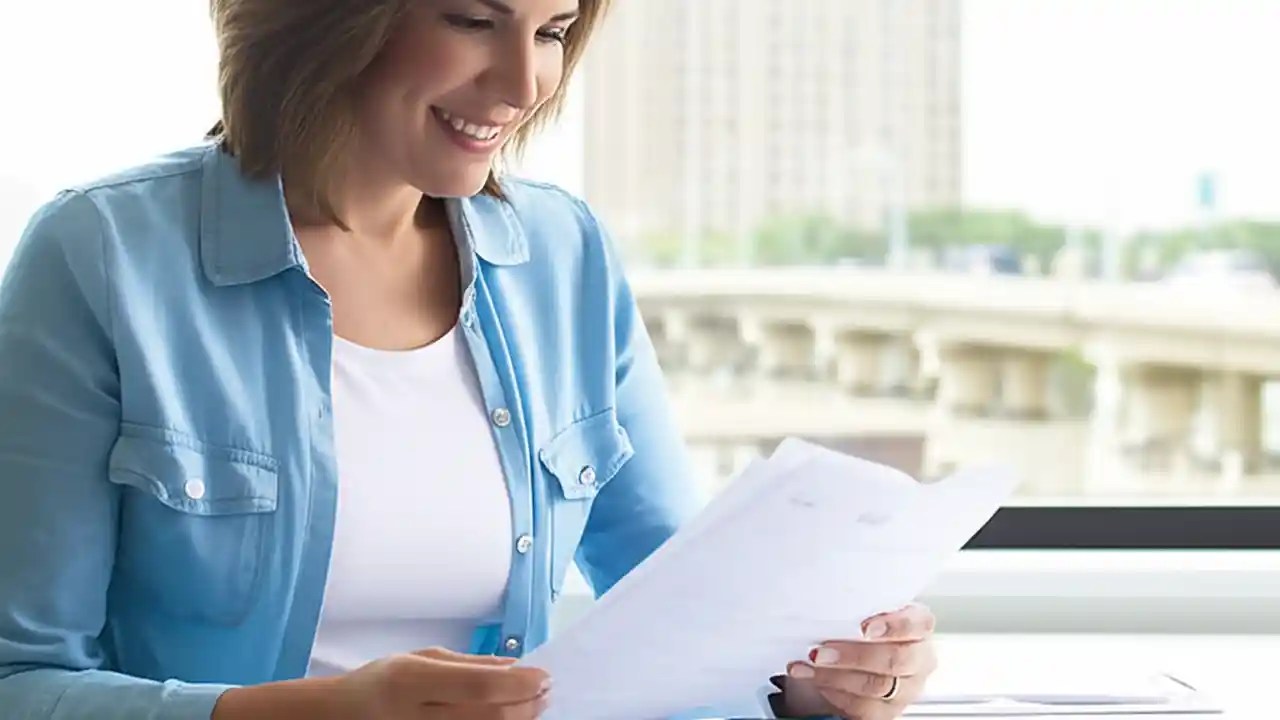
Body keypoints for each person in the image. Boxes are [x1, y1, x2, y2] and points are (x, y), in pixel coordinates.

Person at [0, 1, 938, 718]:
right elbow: (21, 680)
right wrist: (322, 712)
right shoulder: (101, 257)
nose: (525, 84)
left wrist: (804, 686)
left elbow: (686, 619)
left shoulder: (564, 256)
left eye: (552, 30)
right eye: (473, 19)